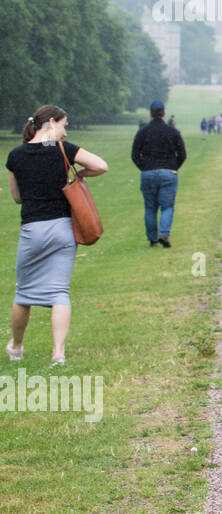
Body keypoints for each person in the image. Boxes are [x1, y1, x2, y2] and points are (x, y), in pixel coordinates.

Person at [5, 105, 109, 364]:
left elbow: (17, 198)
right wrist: (80, 174)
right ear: (51, 122)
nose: (65, 131)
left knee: (23, 293)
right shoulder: (64, 150)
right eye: (64, 125)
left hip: (32, 230)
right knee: (59, 292)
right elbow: (101, 165)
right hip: (63, 229)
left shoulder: (15, 155)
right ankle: (58, 353)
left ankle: (16, 347)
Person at [131, 101, 187, 248]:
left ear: (150, 113)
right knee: (167, 207)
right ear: (164, 113)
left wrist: (144, 167)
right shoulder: (173, 132)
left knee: (150, 208)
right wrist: (174, 167)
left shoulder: (143, 132)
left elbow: (134, 154)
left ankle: (152, 240)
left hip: (148, 172)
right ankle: (164, 233)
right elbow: (182, 154)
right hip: (169, 171)